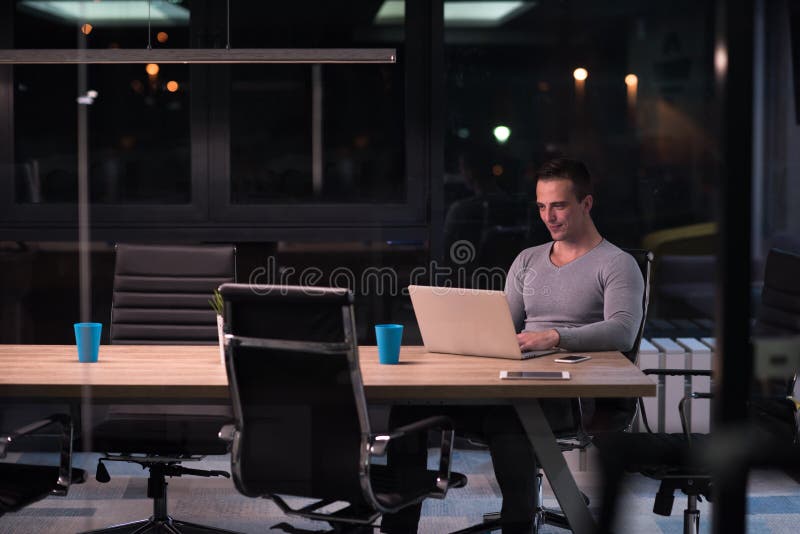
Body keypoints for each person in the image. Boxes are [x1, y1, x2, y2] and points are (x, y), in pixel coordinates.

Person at [380, 157, 643, 534]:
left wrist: (554, 336)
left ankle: (517, 527)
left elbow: (622, 332)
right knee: (409, 410)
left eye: (559, 205)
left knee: (513, 419)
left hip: (569, 397)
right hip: (512, 384)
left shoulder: (616, 264)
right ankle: (398, 529)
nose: (549, 216)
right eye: (541, 206)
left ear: (586, 203)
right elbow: (505, 326)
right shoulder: (527, 260)